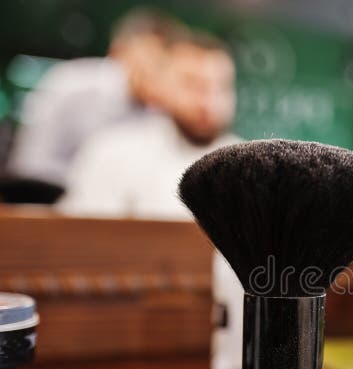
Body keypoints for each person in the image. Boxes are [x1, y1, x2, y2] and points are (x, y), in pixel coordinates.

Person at [58, 32, 238, 220]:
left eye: (221, 86)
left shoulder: (249, 169)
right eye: (193, 85)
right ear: (162, 86)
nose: (210, 102)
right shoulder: (111, 153)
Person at [5, 8, 185, 190]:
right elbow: (31, 164)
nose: (159, 74)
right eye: (154, 62)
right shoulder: (71, 84)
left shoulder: (161, 111)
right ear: (119, 52)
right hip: (55, 201)